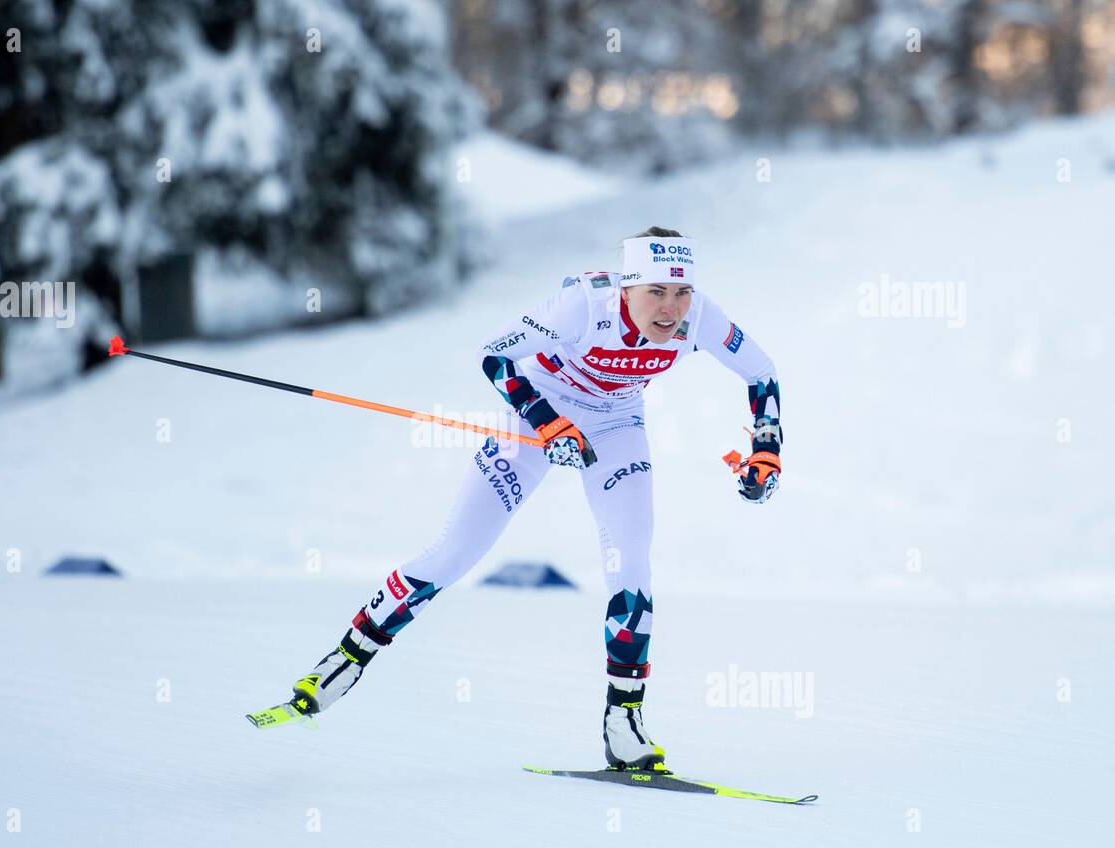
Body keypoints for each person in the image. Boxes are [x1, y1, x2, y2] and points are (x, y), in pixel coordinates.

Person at [253, 227, 783, 771]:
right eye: (656, 292)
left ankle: (624, 723)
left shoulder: (699, 317)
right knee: (453, 556)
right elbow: (494, 356)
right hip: (533, 415)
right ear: (626, 287)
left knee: (632, 567)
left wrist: (767, 450)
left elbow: (761, 372)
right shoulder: (583, 305)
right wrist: (547, 423)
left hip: (615, 424)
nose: (671, 309)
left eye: (681, 292)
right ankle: (342, 662)